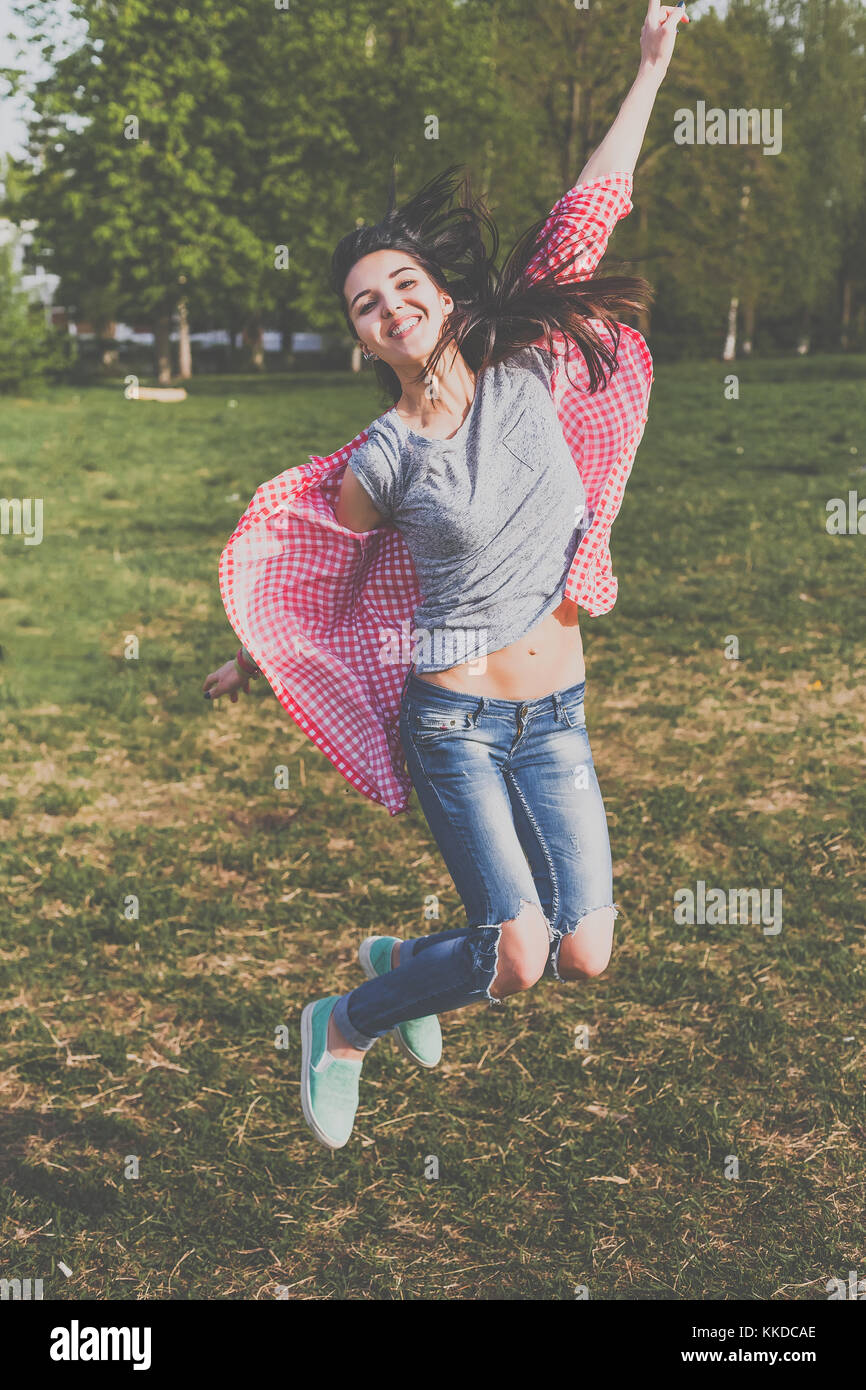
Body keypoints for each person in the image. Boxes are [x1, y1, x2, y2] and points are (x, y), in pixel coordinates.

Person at [204, 0, 688, 1149]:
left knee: (585, 951)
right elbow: (323, 579)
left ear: (438, 290)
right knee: (513, 958)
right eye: (365, 302)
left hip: (557, 714)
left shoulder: (522, 358)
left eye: (402, 282)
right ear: (360, 338)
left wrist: (649, 71)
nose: (390, 305)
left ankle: (401, 963)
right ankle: (346, 1020)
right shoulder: (380, 460)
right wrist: (257, 653)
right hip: (456, 723)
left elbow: (588, 211)